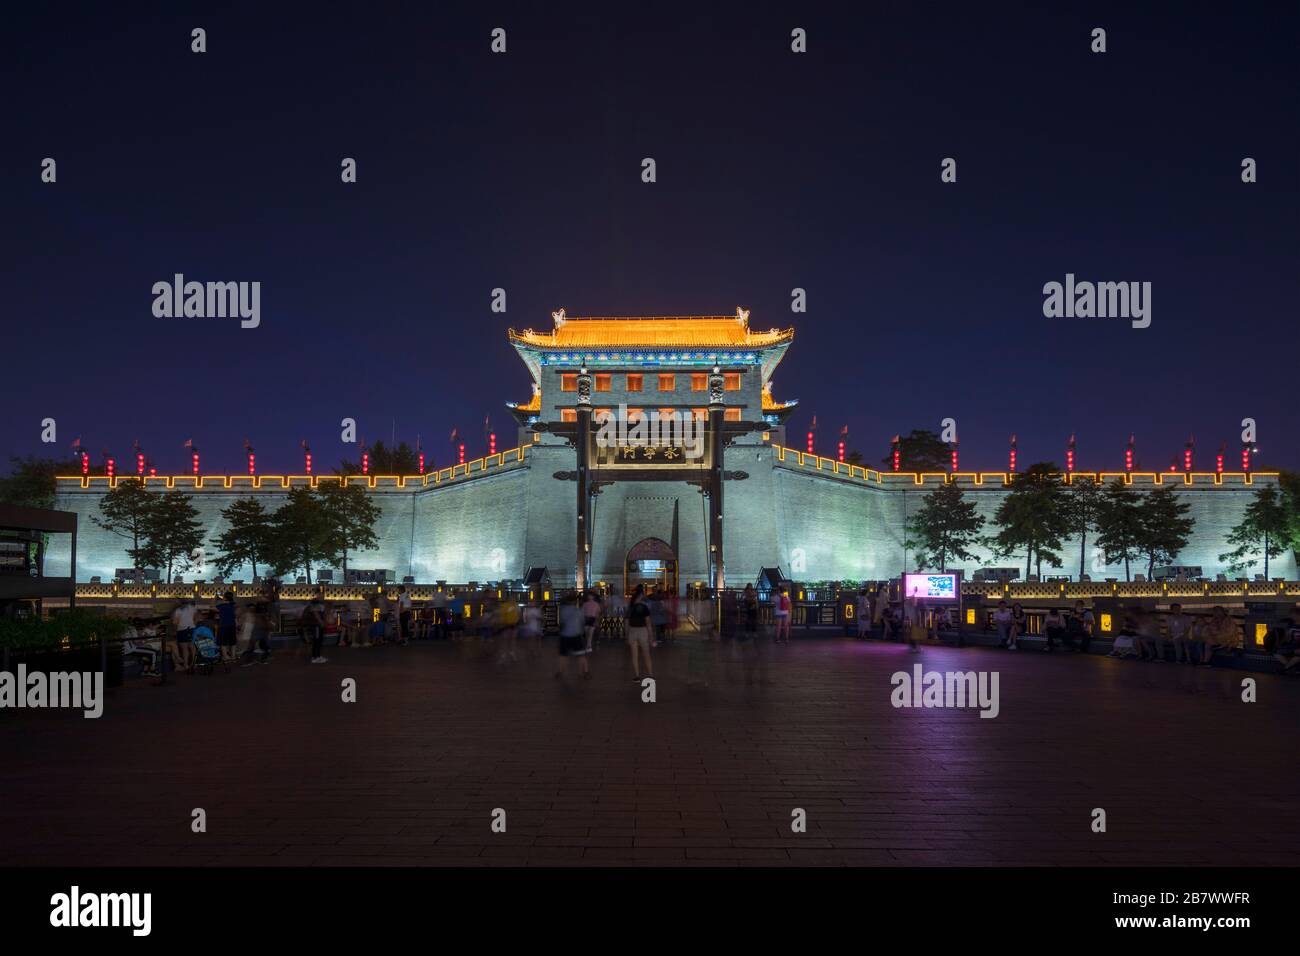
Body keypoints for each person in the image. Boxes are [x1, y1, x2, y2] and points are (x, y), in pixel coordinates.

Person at [555, 593, 590, 679]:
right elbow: (583, 622)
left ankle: (561, 672)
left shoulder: (563, 610)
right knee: (581, 655)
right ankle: (584, 672)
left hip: (565, 635)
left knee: (563, 655)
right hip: (576, 635)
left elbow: (561, 623)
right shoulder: (578, 611)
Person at [625, 585, 654, 680]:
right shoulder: (644, 607)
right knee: (646, 654)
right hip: (642, 631)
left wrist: (626, 635)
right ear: (641, 596)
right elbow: (648, 623)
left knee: (634, 655)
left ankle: (637, 676)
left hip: (632, 631)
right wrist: (651, 637)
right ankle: (650, 675)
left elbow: (626, 622)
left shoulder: (630, 608)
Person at [171, 598, 197, 672]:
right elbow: (196, 618)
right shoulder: (192, 608)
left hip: (182, 630)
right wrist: (193, 624)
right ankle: (193, 663)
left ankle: (186, 665)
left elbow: (175, 622)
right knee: (192, 647)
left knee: (184, 649)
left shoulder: (178, 610)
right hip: (192, 629)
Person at [301, 591, 328, 664]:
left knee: (319, 640)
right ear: (318, 595)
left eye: (323, 595)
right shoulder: (315, 603)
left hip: (318, 624)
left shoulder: (319, 603)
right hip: (316, 625)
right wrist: (321, 622)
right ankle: (315, 657)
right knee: (317, 640)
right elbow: (315, 613)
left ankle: (318, 656)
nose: (323, 597)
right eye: (321, 595)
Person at [215, 591, 238, 662]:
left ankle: (225, 657)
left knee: (223, 642)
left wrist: (214, 598)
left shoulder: (222, 606)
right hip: (232, 625)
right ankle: (233, 656)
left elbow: (211, 607)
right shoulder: (233, 605)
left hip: (223, 625)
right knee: (232, 641)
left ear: (225, 597)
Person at [497, 596, 520, 663]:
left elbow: (518, 615)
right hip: (507, 626)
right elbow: (502, 616)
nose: (513, 600)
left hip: (511, 625)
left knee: (510, 640)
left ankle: (509, 653)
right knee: (507, 640)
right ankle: (507, 653)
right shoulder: (508, 606)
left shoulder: (515, 606)